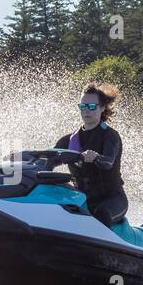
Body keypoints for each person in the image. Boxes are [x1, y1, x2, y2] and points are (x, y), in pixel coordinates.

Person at [54, 83, 127, 227]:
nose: (86, 110)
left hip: (112, 200)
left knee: (102, 214)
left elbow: (108, 162)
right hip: (84, 200)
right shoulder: (69, 139)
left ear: (101, 108)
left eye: (92, 107)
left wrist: (96, 157)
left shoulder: (110, 136)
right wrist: (21, 157)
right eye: (83, 106)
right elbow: (49, 157)